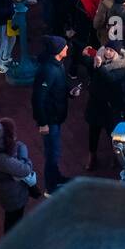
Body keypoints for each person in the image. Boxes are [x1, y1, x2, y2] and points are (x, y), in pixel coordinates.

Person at [83, 41, 125, 171]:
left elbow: (111, 78)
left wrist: (99, 67)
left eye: (111, 51)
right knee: (93, 131)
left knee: (112, 133)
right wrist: (87, 58)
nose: (108, 52)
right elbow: (91, 72)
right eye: (107, 49)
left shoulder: (121, 67)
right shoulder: (99, 61)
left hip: (110, 106)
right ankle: (92, 155)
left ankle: (115, 155)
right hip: (96, 103)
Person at [31, 35, 70, 192]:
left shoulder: (57, 65)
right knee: (52, 153)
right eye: (65, 46)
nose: (67, 48)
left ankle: (56, 177)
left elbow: (58, 88)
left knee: (54, 151)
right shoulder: (48, 70)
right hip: (50, 119)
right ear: (58, 51)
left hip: (56, 116)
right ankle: (51, 187)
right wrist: (42, 123)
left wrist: (70, 93)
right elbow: (37, 98)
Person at [0, 118, 35, 233]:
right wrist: (25, 159)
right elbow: (25, 170)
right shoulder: (1, 159)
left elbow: (19, 145)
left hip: (11, 194)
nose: (14, 136)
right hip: (13, 197)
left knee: (12, 220)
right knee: (13, 222)